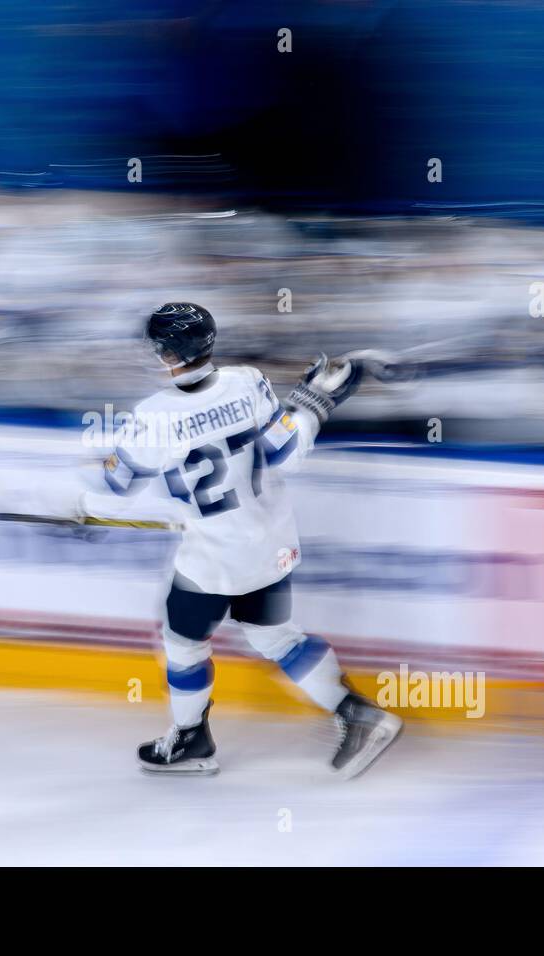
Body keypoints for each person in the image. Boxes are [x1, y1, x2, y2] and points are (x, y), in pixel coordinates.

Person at [81, 302, 402, 777]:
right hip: (270, 545)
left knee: (184, 642)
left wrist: (91, 497)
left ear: (165, 352)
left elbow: (115, 488)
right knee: (276, 636)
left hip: (212, 559)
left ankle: (191, 740)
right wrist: (314, 401)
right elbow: (282, 452)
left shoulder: (152, 417)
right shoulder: (246, 380)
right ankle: (357, 714)